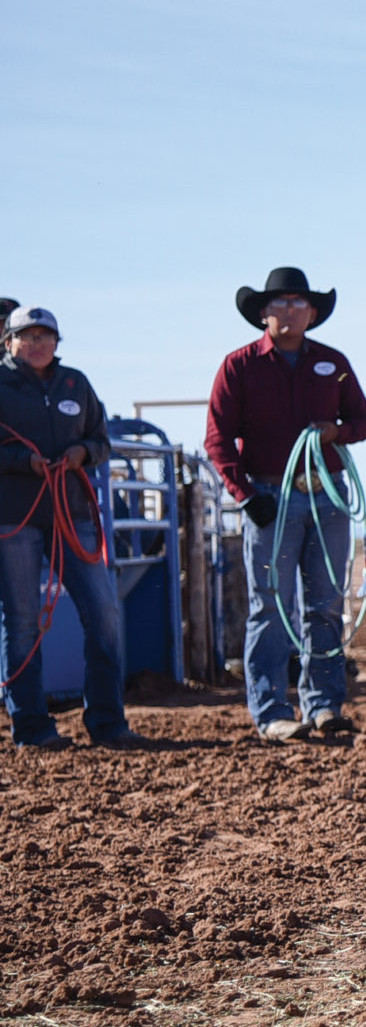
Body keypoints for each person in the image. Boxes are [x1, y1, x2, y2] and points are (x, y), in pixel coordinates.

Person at [205, 267, 366, 739]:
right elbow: (218, 441)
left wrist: (334, 432)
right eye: (279, 303)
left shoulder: (332, 362)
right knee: (270, 606)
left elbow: (363, 421)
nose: (289, 310)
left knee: (325, 603)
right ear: (263, 312)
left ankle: (324, 704)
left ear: (313, 312)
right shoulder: (238, 367)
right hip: (269, 496)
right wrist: (245, 496)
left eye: (298, 302)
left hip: (328, 495)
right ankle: (272, 712)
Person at [0, 306, 141, 749]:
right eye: (27, 336)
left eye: (46, 335)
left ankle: (107, 721)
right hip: (15, 516)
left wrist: (83, 452)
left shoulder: (76, 384)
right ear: (9, 342)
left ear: (58, 343)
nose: (37, 343)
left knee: (104, 614)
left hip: (72, 512)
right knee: (22, 621)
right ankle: (31, 726)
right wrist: (24, 461)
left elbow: (101, 439)